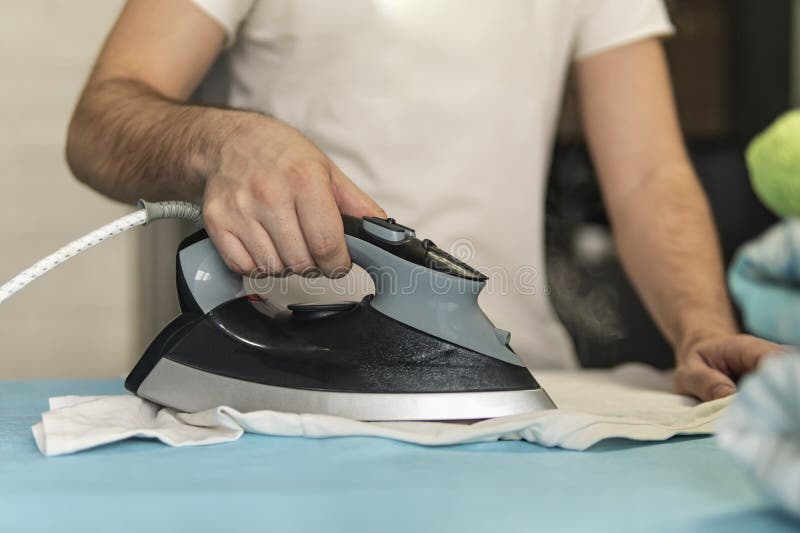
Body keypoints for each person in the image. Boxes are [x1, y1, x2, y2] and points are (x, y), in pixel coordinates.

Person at [66, 0, 779, 401]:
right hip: (287, 396)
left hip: (531, 379)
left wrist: (699, 329)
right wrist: (223, 143)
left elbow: (648, 173)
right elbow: (100, 122)